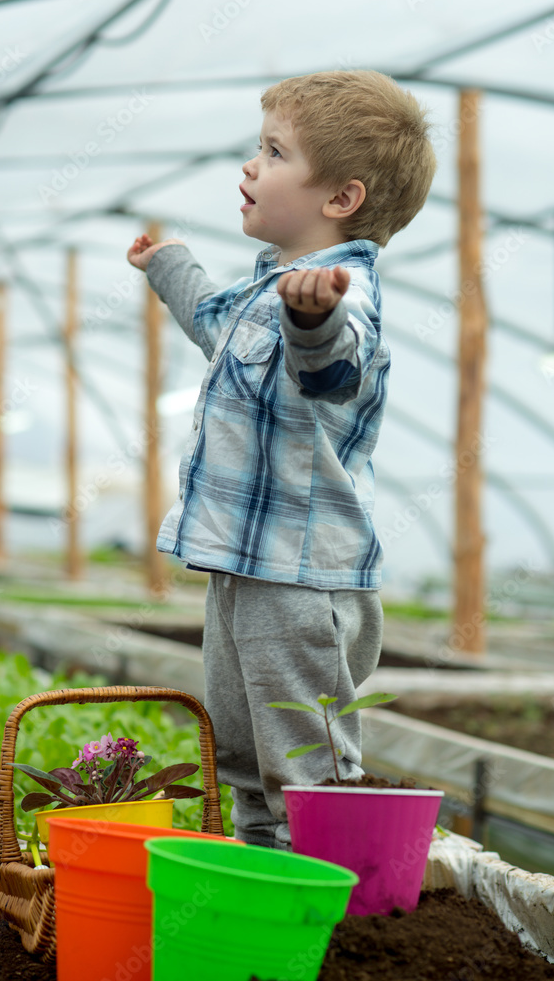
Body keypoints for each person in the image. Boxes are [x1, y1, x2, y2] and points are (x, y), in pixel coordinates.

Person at [127, 70, 436, 849]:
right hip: (241, 566)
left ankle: (336, 909)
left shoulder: (340, 295)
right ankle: (265, 879)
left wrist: (313, 321)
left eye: (273, 151)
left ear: (341, 199)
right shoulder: (268, 289)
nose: (249, 166)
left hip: (301, 582)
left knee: (306, 754)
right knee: (241, 746)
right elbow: (213, 323)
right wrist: (169, 264)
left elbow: (331, 366)